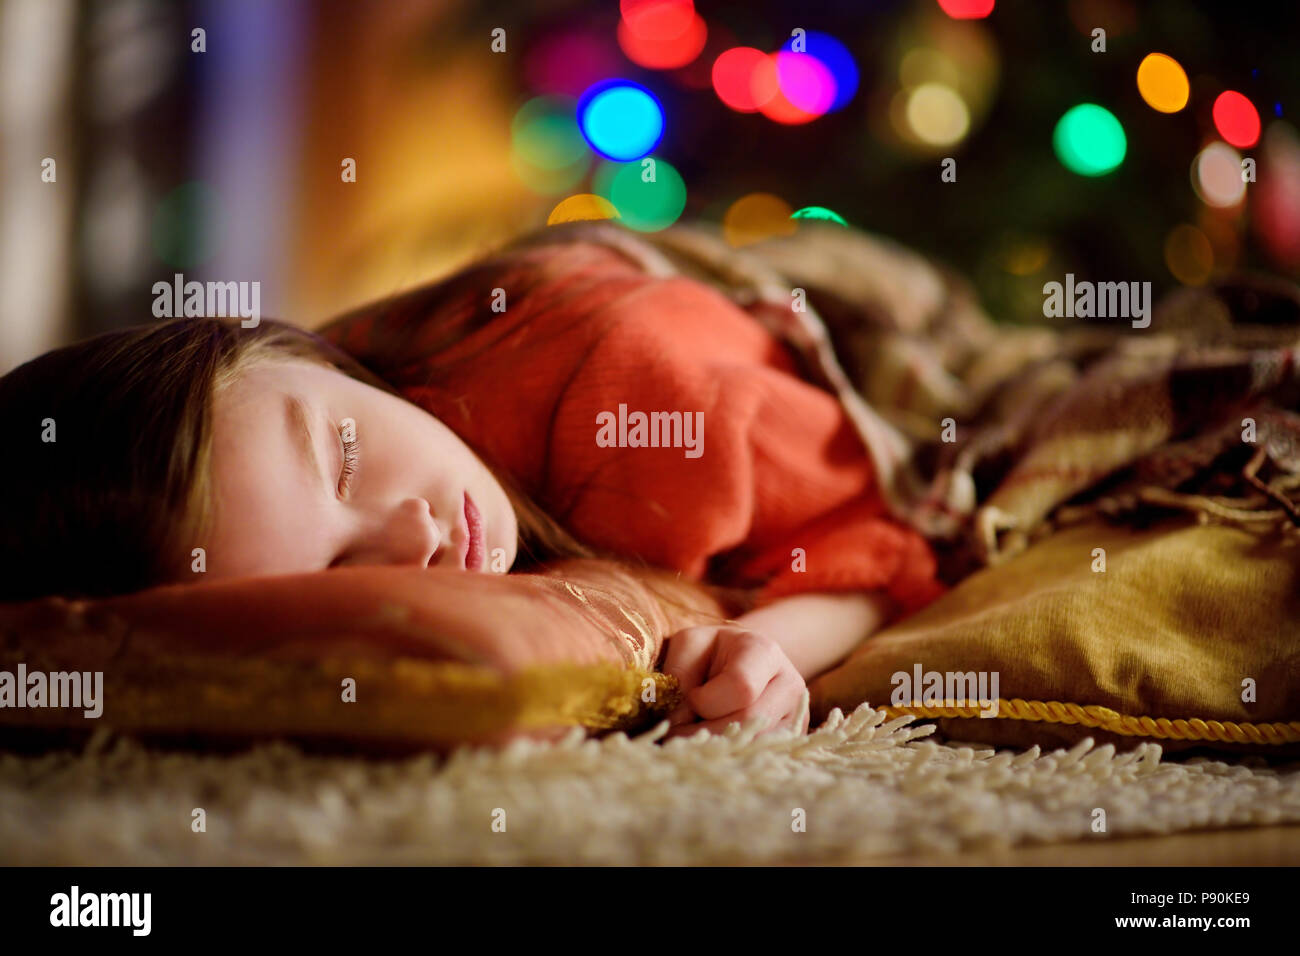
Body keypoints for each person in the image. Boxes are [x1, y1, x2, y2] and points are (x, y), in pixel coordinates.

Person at [0, 232, 944, 738]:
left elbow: (887, 537)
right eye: (339, 575)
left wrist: (764, 643)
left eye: (347, 460)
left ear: (313, 353)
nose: (414, 537)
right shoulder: (305, 416)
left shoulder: (639, 391)